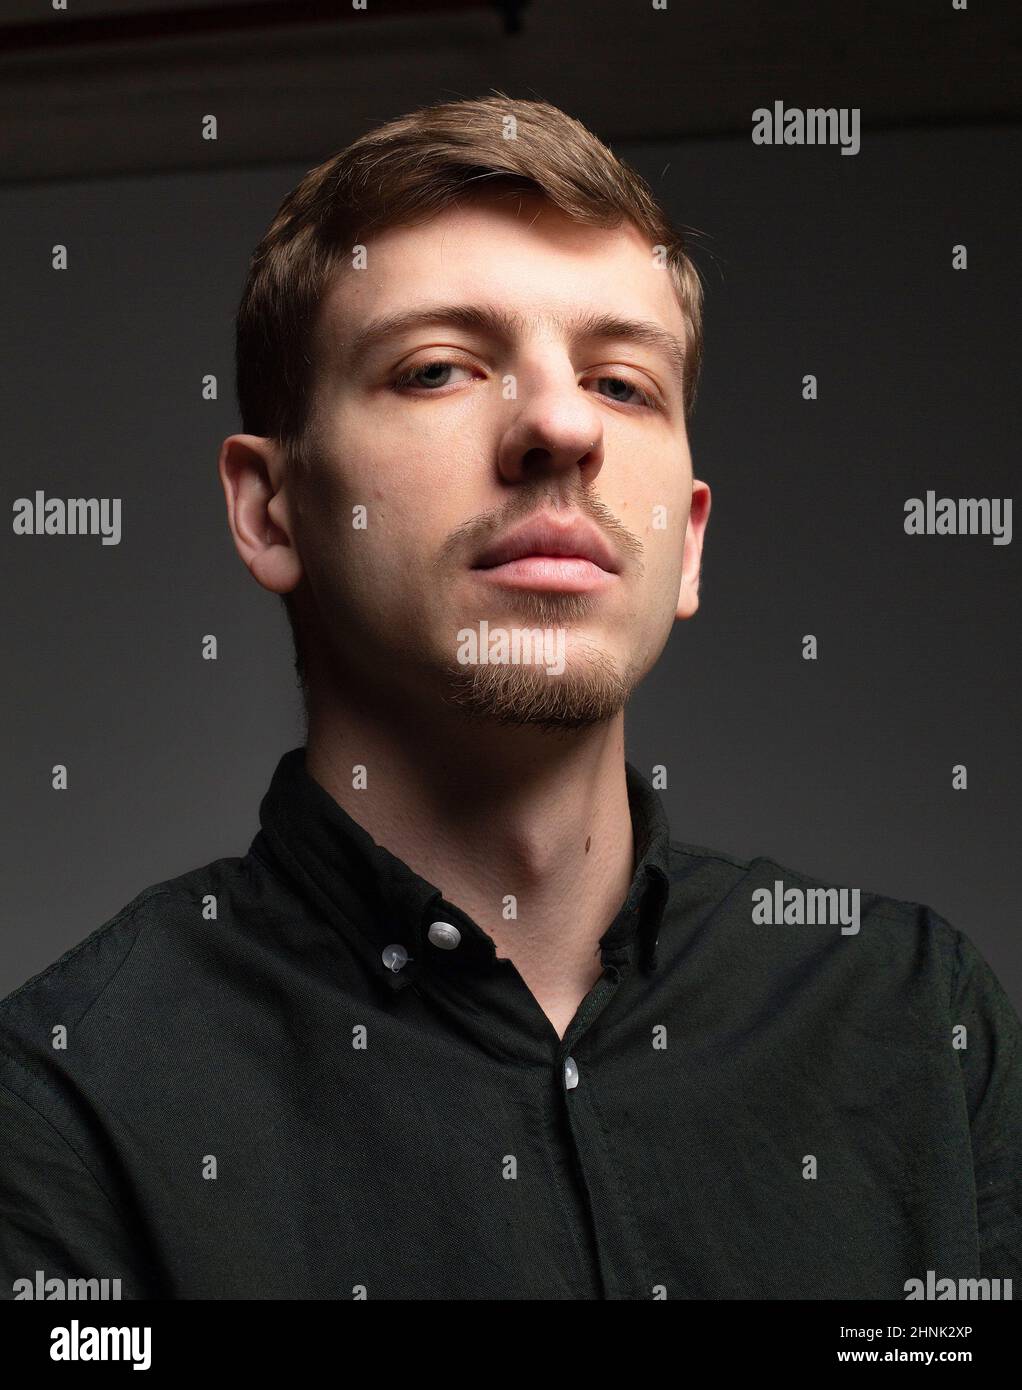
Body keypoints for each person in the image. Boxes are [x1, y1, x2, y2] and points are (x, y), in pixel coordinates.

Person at [1, 95, 1019, 1301]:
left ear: (687, 546)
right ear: (270, 510)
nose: (559, 422)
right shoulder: (66, 1101)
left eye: (624, 383)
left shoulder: (913, 1012)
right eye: (438, 367)